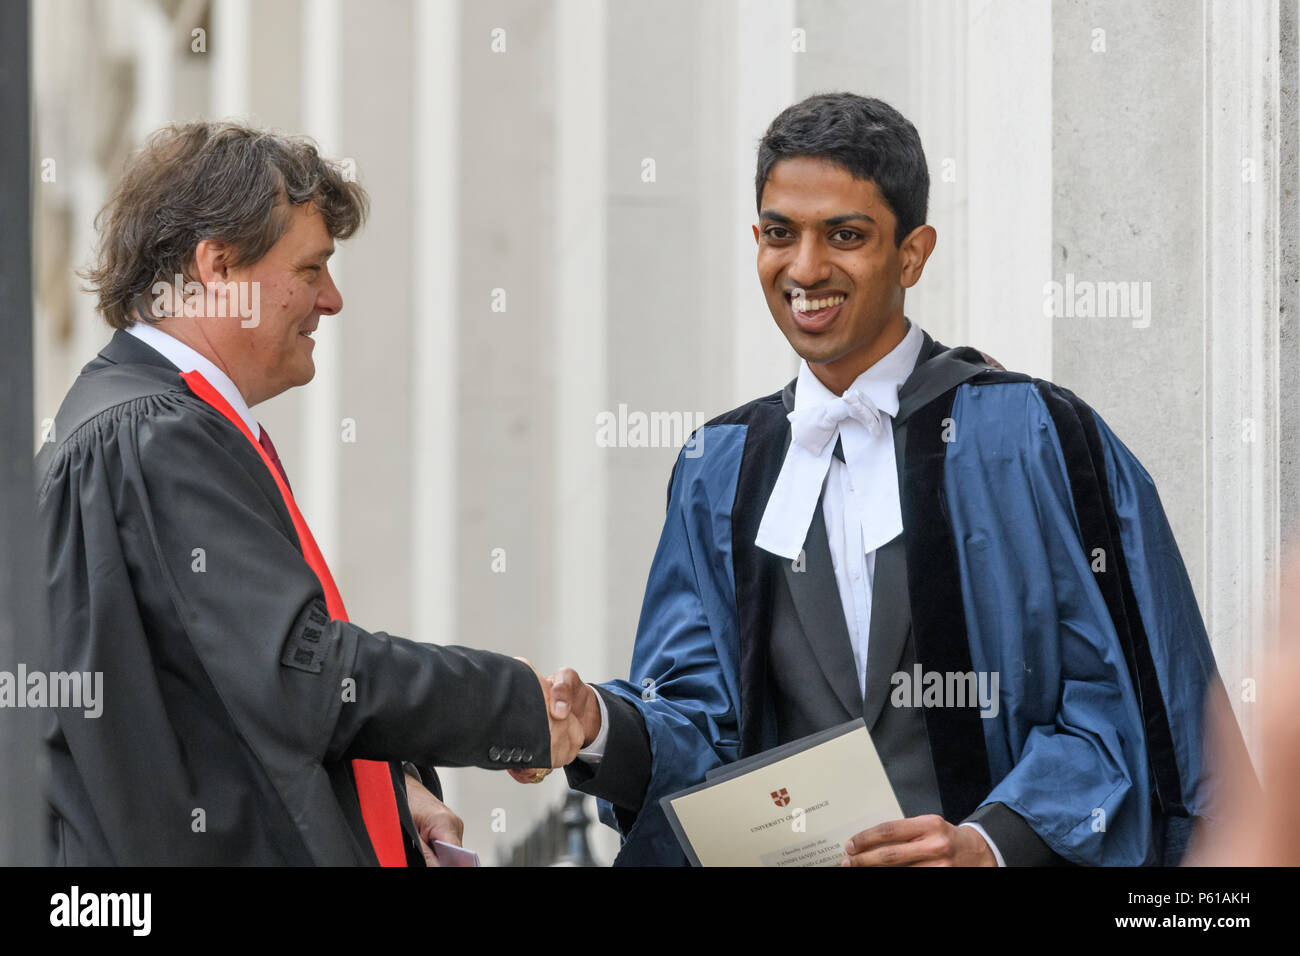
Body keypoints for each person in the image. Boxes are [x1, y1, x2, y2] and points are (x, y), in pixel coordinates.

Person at [515, 93, 1241, 866]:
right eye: (778, 234)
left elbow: (1124, 705)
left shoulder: (1034, 439)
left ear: (912, 253)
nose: (804, 268)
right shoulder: (717, 470)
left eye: (846, 236)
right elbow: (698, 727)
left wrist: (988, 844)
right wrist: (596, 726)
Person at [36, 121, 585, 866]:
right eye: (312, 267)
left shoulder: (137, 421)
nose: (331, 300)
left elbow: (222, 708)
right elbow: (301, 676)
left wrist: (381, 796)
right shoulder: (150, 434)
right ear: (219, 266)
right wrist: (515, 705)